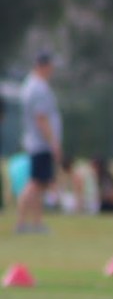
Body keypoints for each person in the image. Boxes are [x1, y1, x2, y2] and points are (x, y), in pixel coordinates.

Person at [16, 52, 62, 234]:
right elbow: (41, 117)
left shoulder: (30, 85)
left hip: (35, 141)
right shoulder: (39, 88)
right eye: (50, 66)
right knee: (35, 182)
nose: (52, 70)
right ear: (43, 66)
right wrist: (53, 142)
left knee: (40, 183)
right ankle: (22, 222)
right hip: (40, 142)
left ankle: (36, 222)